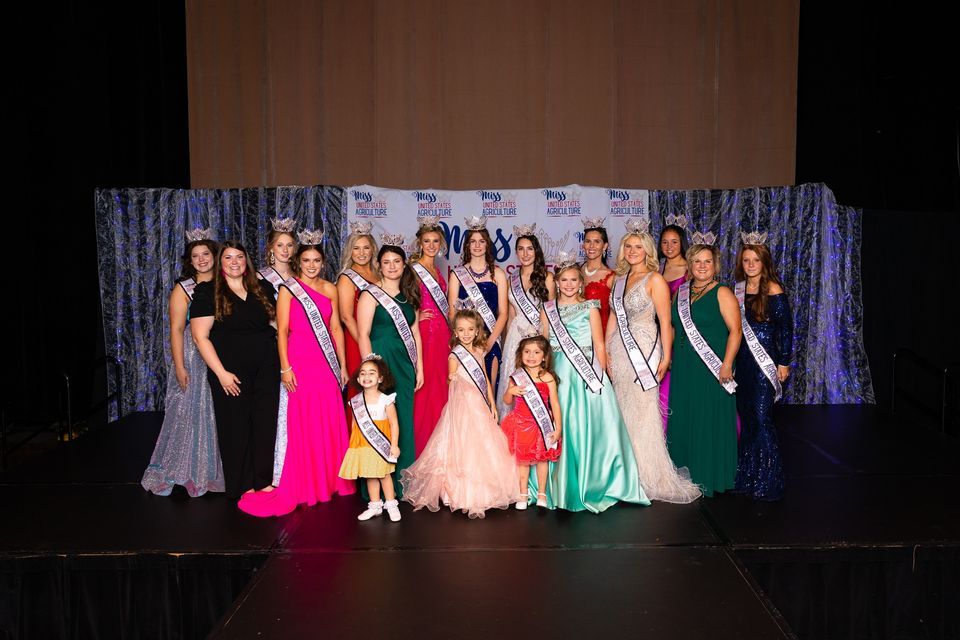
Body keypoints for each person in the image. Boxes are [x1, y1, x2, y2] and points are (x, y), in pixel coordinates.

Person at [239, 237, 356, 517]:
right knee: (304, 421)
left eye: (316, 261)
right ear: (298, 262)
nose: (311, 265)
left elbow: (336, 329)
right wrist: (285, 367)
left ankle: (330, 481)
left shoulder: (330, 288)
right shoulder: (288, 290)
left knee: (328, 418)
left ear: (323, 263)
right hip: (300, 363)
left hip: (325, 364)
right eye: (306, 261)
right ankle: (309, 482)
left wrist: (342, 366)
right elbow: (281, 331)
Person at [538, 256, 650, 513]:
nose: (568, 284)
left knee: (587, 424)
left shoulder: (590, 306)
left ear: (581, 283)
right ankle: (558, 484)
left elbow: (599, 343)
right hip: (558, 373)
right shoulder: (547, 309)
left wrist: (603, 374)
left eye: (573, 280)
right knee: (561, 422)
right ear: (556, 282)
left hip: (586, 371)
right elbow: (543, 344)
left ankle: (593, 481)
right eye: (563, 280)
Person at [605, 222, 701, 503]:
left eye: (638, 247)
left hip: (645, 348)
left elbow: (666, 321)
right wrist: (607, 354)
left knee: (643, 411)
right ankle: (623, 474)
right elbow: (613, 317)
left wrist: (666, 356)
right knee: (622, 410)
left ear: (646, 251)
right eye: (628, 247)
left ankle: (646, 474)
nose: (633, 251)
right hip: (619, 351)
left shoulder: (655, 280)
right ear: (623, 250)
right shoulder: (616, 280)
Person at [401, 309, 518, 518]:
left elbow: (483, 379)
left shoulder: (479, 352)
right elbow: (450, 381)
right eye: (461, 330)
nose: (466, 334)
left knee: (483, 443)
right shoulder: (454, 355)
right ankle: (458, 492)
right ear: (455, 331)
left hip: (479, 403)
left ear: (476, 331)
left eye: (470, 330)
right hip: (461, 405)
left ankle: (487, 489)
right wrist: (453, 378)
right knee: (463, 442)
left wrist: (492, 403)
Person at [191, 241, 280, 499]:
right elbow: (200, 337)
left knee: (264, 423)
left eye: (239, 257)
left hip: (266, 368)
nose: (234, 262)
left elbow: (275, 323)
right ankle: (241, 485)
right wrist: (221, 373)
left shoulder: (261, 288)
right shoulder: (208, 292)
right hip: (230, 372)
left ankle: (262, 481)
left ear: (246, 262)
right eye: (228, 257)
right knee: (235, 426)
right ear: (221, 263)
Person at [142, 232, 225, 497]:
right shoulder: (183, 288)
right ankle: (189, 468)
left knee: (218, 409)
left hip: (222, 350)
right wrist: (179, 365)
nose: (201, 260)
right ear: (190, 261)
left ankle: (216, 469)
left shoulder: (225, 283)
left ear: (215, 256)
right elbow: (177, 329)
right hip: (193, 354)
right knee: (193, 409)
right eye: (195, 256)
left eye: (206, 254)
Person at [667, 241, 742, 497]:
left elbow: (736, 331)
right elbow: (675, 328)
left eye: (707, 261)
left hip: (712, 368)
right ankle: (687, 472)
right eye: (697, 261)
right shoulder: (681, 292)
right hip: (685, 368)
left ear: (715, 265)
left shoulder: (722, 292)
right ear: (689, 264)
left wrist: (727, 364)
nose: (702, 266)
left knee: (707, 419)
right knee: (687, 417)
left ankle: (709, 474)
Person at [357, 237, 423, 497]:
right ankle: (376, 488)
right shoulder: (370, 293)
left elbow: (415, 331)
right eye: (386, 262)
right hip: (380, 360)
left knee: (403, 421)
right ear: (379, 266)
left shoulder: (409, 295)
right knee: (380, 420)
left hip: (405, 364)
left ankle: (402, 483)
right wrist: (370, 371)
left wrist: (420, 367)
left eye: (397, 261)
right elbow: (363, 333)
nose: (392, 266)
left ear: (404, 265)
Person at [733, 237, 793, 501]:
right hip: (744, 362)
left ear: (764, 262)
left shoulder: (774, 289)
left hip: (765, 363)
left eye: (756, 260)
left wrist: (784, 361)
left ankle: (769, 479)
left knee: (761, 419)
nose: (751, 264)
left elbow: (786, 329)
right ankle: (747, 476)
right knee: (746, 420)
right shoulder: (737, 289)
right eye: (746, 260)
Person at [496, 224, 554, 419]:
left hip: (538, 337)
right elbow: (510, 315)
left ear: (536, 251)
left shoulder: (547, 278)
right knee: (513, 385)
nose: (525, 253)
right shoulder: (511, 279)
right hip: (515, 337)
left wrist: (544, 343)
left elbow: (550, 313)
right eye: (520, 249)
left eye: (529, 248)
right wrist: (506, 345)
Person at [257, 217, 298, 487]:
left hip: (299, 346)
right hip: (271, 346)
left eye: (289, 245)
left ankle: (295, 462)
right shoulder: (259, 278)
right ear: (270, 248)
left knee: (295, 405)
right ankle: (274, 467)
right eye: (279, 245)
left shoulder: (302, 276)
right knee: (272, 406)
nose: (284, 250)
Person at [500, 333, 562, 509]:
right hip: (520, 425)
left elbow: (555, 404)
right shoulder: (517, 376)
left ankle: (542, 493)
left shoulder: (548, 377)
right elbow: (506, 401)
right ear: (521, 355)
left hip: (540, 426)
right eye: (527, 352)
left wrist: (558, 428)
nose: (531, 356)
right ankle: (523, 494)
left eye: (536, 352)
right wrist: (510, 392)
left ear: (544, 357)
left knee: (542, 460)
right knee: (523, 461)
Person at [448, 216, 507, 393]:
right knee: (468, 394)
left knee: (491, 393)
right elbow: (452, 313)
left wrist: (488, 344)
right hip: (466, 340)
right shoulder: (457, 274)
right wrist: (465, 341)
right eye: (473, 241)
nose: (477, 245)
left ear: (487, 244)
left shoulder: (498, 274)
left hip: (490, 339)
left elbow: (503, 313)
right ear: (467, 245)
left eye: (482, 241)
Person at [339, 356, 402, 522]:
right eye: (363, 373)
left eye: (372, 373)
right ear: (358, 379)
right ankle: (375, 506)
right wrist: (354, 446)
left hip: (381, 445)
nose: (367, 377)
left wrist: (394, 445)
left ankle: (391, 504)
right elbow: (355, 425)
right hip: (364, 445)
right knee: (370, 475)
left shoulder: (386, 399)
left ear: (380, 378)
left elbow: (394, 423)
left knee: (384, 475)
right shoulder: (356, 402)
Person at [410, 216, 451, 455]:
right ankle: (422, 442)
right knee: (424, 387)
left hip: (442, 334)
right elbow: (407, 299)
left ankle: (439, 443)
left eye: (436, 241)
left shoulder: (437, 270)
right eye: (427, 241)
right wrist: (416, 318)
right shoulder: (413, 270)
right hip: (425, 334)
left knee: (440, 385)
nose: (432, 245)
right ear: (420, 243)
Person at [657, 218, 690, 432]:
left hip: (683, 334)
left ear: (682, 244)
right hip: (658, 332)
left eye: (674, 242)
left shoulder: (691, 267)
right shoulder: (656, 267)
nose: (669, 247)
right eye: (665, 242)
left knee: (683, 384)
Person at [336, 221, 379, 382]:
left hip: (379, 336)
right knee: (363, 384)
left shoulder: (380, 275)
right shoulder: (347, 278)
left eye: (366, 248)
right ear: (350, 251)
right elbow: (346, 317)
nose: (361, 253)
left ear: (373, 249)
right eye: (356, 248)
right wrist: (366, 343)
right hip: (357, 340)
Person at [580, 218, 615, 332]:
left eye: (597, 241)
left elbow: (616, 315)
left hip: (601, 334)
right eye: (588, 241)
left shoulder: (611, 277)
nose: (591, 246)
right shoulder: (575, 271)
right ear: (583, 245)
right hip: (576, 334)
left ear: (604, 246)